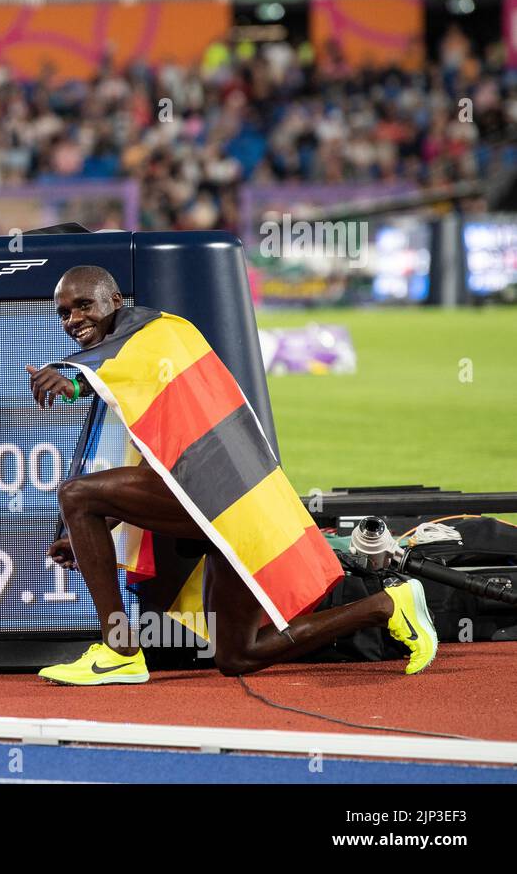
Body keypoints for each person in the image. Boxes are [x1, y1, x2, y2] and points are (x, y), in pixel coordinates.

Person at [25, 265, 436, 685]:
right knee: (238, 655)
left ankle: (119, 649)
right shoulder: (142, 362)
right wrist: (98, 526)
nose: (73, 319)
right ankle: (387, 605)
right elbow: (165, 461)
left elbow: (126, 366)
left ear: (115, 302)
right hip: (227, 508)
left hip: (232, 503)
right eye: (63, 313)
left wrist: (75, 382)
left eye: (82, 305)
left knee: (75, 494)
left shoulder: (161, 335)